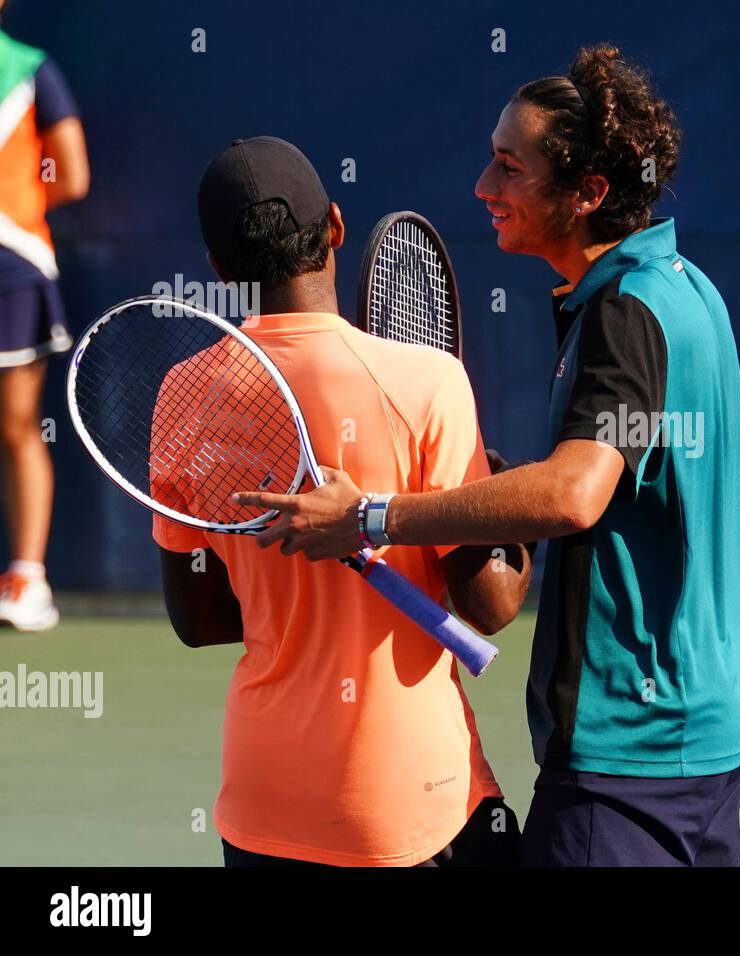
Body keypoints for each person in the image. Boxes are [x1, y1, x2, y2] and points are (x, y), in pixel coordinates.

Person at [235, 47, 740, 867]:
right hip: (711, 737)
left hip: (627, 754)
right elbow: (623, 478)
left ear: (585, 195)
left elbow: (575, 495)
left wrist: (369, 515)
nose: (484, 187)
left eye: (510, 168)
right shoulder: (687, 288)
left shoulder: (626, 314)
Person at [160, 136, 531, 866]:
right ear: (333, 225)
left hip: (264, 805)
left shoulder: (180, 394)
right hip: (412, 805)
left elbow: (201, 621)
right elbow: (491, 603)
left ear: (219, 269)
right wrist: (503, 505)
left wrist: (289, 590)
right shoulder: (430, 381)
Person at [0, 3, 89, 630]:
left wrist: (12, 214)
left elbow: (71, 176)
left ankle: (28, 581)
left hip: (13, 265)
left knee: (16, 424)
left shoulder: (32, 72)